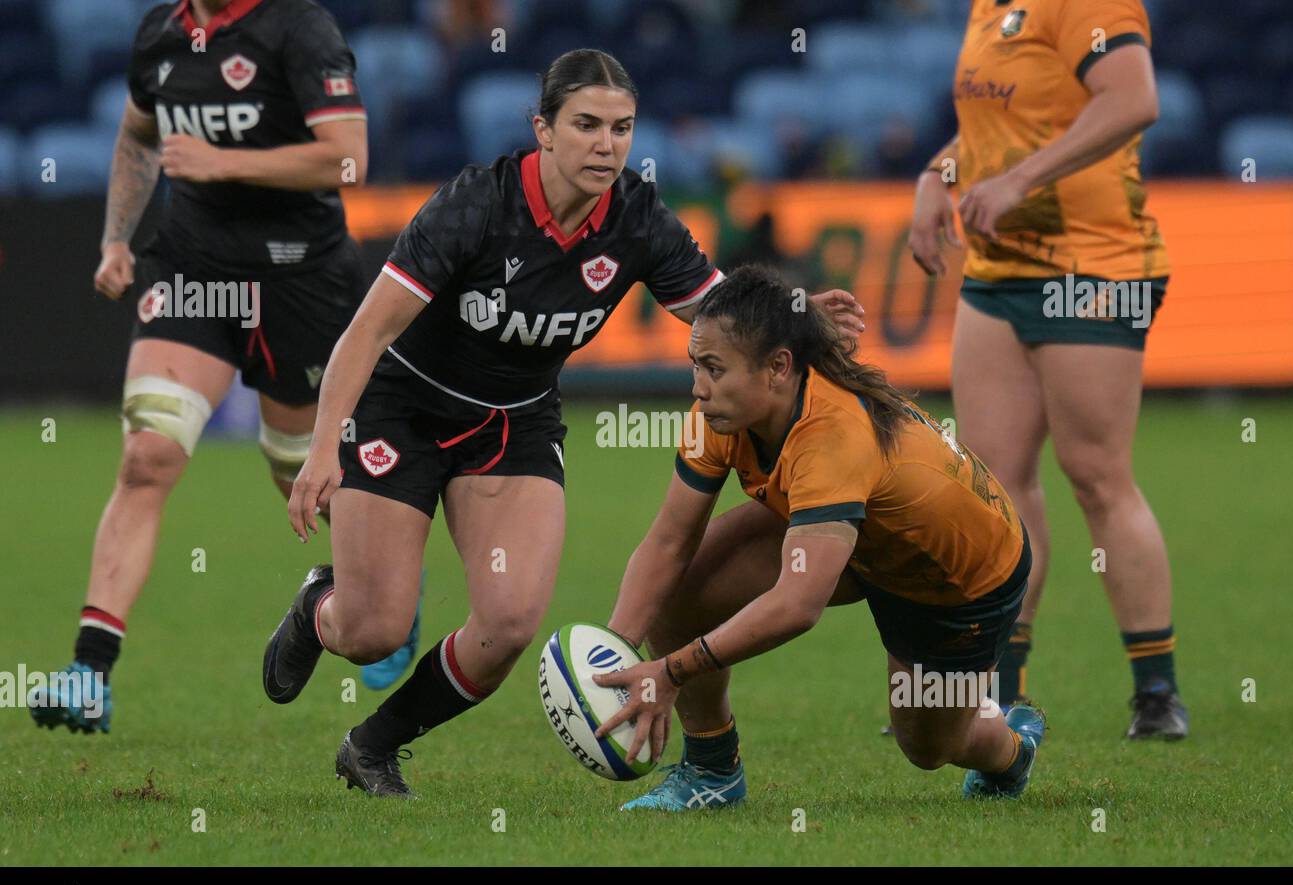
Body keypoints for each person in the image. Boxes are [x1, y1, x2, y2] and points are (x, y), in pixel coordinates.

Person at [258, 50, 868, 797]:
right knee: (372, 630)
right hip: (403, 408)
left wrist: (801, 315)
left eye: (621, 128)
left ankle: (373, 746)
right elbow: (366, 333)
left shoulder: (637, 219)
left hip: (514, 423)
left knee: (510, 624)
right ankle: (320, 609)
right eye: (585, 125)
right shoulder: (475, 205)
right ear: (542, 129)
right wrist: (323, 450)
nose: (606, 144)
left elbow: (724, 314)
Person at [26, 0, 424, 735]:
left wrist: (223, 162)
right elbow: (138, 135)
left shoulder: (300, 28)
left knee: (300, 477)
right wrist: (116, 239)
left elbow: (348, 157)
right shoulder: (161, 31)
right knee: (147, 456)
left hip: (299, 279)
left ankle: (385, 580)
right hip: (191, 271)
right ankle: (90, 669)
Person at [592, 265, 1043, 809]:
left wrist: (668, 671)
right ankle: (712, 771)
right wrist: (606, 663)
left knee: (932, 748)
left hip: (955, 581)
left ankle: (1012, 748)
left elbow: (796, 604)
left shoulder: (832, 436)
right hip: (847, 536)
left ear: (778, 368)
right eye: (695, 365)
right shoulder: (719, 414)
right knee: (682, 584)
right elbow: (668, 544)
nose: (698, 387)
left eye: (713, 368)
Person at [908, 0, 1185, 739]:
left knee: (1095, 472)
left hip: (1094, 266)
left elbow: (1134, 99)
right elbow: (994, 129)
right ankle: (999, 691)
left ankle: (1156, 692)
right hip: (1001, 266)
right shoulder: (988, 8)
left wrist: (1020, 182)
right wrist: (938, 174)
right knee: (993, 481)